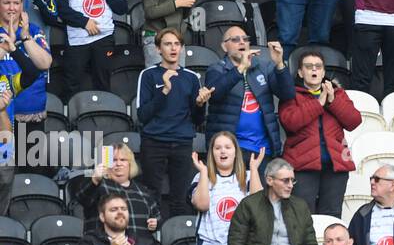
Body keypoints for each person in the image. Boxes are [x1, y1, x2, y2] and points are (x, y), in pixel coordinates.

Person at [136, 27, 209, 219]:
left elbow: (197, 120)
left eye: (177, 44)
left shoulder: (192, 78)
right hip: (154, 142)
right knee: (152, 195)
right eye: (168, 44)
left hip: (182, 142)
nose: (173, 48)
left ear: (182, 48)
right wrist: (164, 90)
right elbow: (142, 115)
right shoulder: (148, 75)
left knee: (180, 197)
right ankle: (153, 242)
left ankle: (179, 244)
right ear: (158, 49)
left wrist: (201, 105)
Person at [279, 51, 360, 218]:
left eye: (318, 67)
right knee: (302, 217)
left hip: (336, 166)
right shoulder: (291, 94)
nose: (314, 70)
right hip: (302, 166)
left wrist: (332, 101)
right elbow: (290, 122)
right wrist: (319, 103)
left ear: (323, 72)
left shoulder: (337, 94)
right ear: (301, 72)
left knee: (332, 217)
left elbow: (354, 121)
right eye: (308, 67)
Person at [190, 131, 262, 245]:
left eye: (227, 147)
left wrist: (254, 170)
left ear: (235, 151)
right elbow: (202, 204)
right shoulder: (200, 177)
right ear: (211, 153)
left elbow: (259, 207)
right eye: (217, 148)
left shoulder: (246, 176)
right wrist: (204, 172)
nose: (223, 151)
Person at [203, 30, 292, 168]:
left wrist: (280, 64)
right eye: (235, 39)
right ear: (224, 47)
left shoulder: (264, 67)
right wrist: (241, 68)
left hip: (263, 150)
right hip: (230, 151)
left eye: (245, 38)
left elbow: (288, 95)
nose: (242, 42)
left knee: (260, 191)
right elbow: (215, 95)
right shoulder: (216, 69)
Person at [0, 0, 52, 166]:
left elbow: (45, 64)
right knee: (5, 172)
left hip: (30, 110)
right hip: (2, 113)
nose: (12, 8)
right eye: (7, 3)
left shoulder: (34, 31)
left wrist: (25, 36)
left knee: (30, 168)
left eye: (16, 3)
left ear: (22, 6)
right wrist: (8, 47)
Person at [75, 145, 160, 238]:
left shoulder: (143, 191)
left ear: (130, 164)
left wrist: (155, 223)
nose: (118, 164)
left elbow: (157, 216)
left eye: (123, 160)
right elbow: (82, 197)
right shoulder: (99, 184)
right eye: (114, 160)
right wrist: (94, 180)